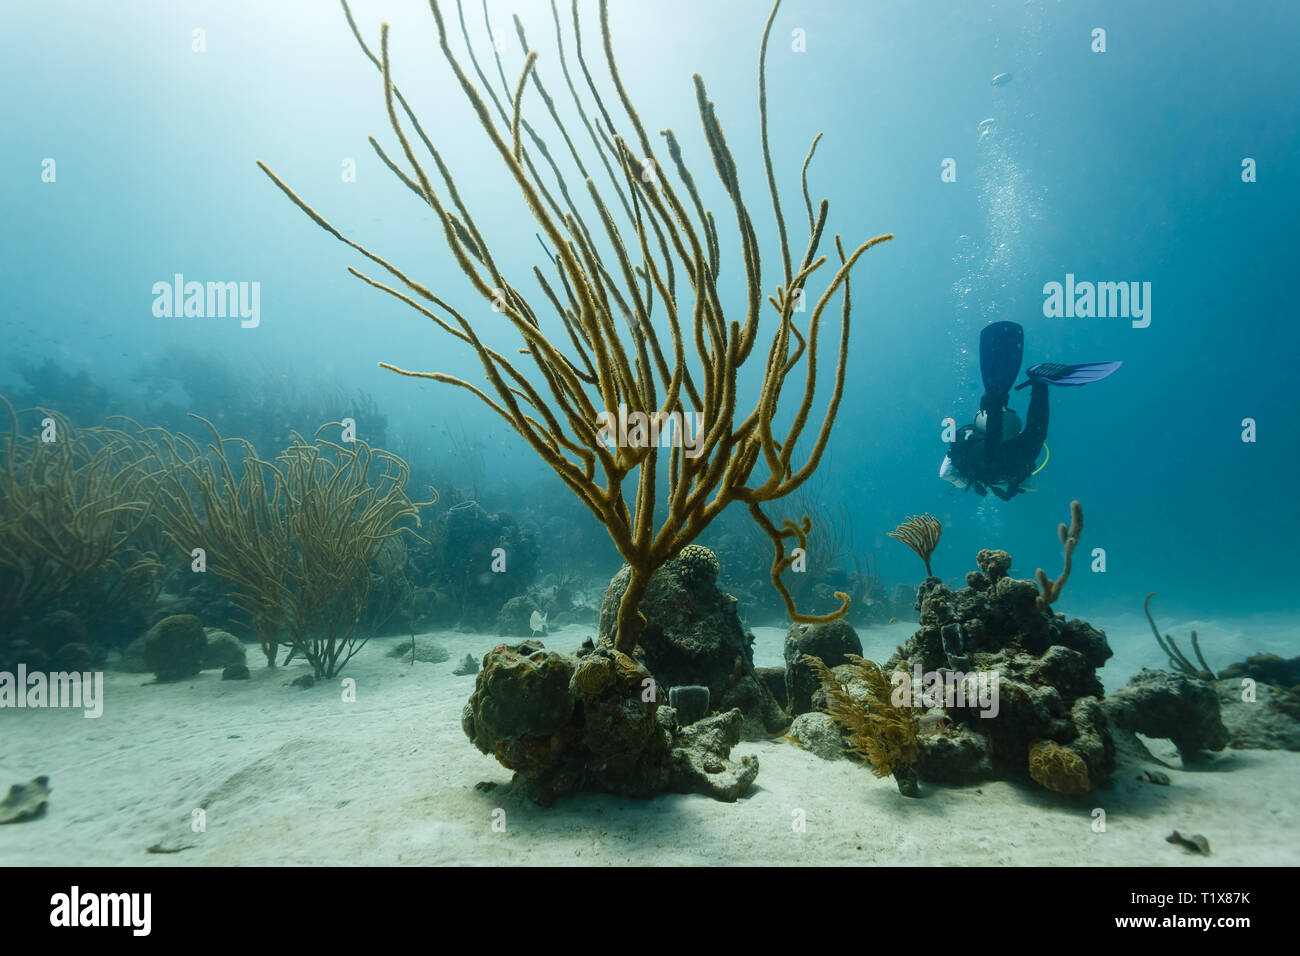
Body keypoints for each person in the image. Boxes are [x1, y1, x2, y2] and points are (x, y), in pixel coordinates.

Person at [940, 321, 1120, 500]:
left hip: (998, 459)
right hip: (998, 455)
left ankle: (1037, 388)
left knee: (1035, 434)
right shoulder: (1002, 473)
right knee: (1010, 444)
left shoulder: (998, 470)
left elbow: (945, 473)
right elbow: (948, 472)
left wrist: (976, 483)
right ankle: (1027, 388)